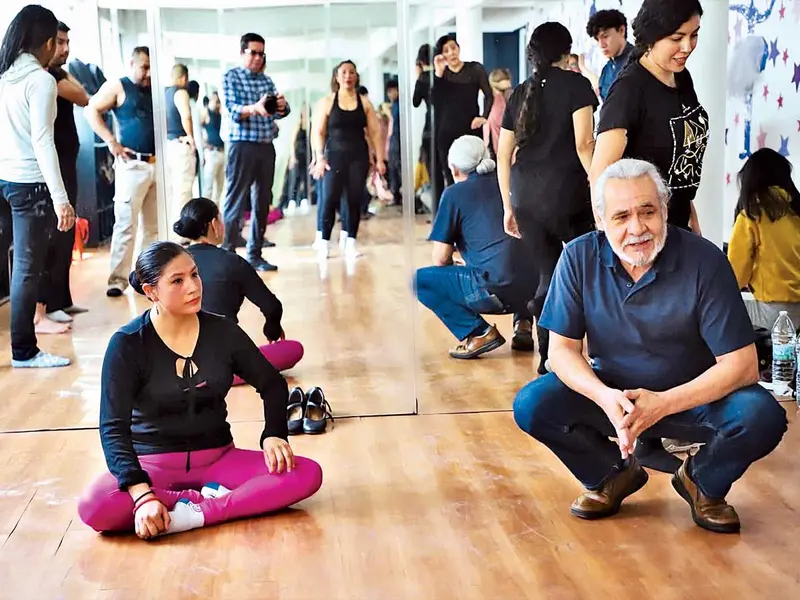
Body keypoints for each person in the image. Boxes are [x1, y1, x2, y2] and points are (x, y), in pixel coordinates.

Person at [513, 159, 787, 534]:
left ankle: (702, 482)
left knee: (762, 416)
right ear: (600, 220)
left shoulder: (705, 261)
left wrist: (663, 405)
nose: (637, 228)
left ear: (665, 208)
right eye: (621, 216)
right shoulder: (577, 257)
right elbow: (561, 351)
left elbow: (743, 365)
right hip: (615, 396)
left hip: (695, 399)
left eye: (647, 211)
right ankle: (611, 476)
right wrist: (605, 397)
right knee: (533, 404)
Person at [78, 241, 322, 539]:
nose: (193, 287)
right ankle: (195, 501)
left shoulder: (222, 332)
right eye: (177, 281)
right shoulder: (127, 343)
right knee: (94, 507)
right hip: (153, 465)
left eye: (195, 275)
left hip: (218, 459)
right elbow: (113, 428)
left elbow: (271, 383)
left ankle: (198, 514)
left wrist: (274, 434)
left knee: (306, 474)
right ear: (150, 291)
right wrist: (143, 496)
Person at [497, 22, 597, 375]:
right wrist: (603, 191)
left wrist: (509, 205)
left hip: (527, 196)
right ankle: (591, 355)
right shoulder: (576, 85)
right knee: (592, 271)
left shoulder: (520, 92)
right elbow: (586, 144)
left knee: (548, 275)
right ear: (566, 51)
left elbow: (503, 152)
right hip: (569, 195)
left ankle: (547, 358)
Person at [0, 5, 75, 369]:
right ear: (46, 43)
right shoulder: (41, 80)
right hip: (29, 183)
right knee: (27, 269)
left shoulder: (3, 77)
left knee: (15, 267)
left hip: (3, 180)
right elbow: (44, 141)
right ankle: (24, 352)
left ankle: (23, 348)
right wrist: (62, 200)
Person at [590, 0, 707, 234]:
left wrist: (691, 217)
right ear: (652, 36)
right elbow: (599, 175)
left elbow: (679, 161)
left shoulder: (681, 78)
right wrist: (611, 235)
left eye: (694, 35)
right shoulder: (630, 89)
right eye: (676, 38)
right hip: (642, 232)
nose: (687, 46)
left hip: (677, 224)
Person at [415, 136, 536, 359]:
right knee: (516, 255)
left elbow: (440, 258)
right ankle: (523, 324)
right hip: (535, 289)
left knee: (418, 280)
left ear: (454, 169)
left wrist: (461, 268)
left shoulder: (454, 194)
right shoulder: (511, 181)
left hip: (495, 292)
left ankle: (479, 332)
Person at [174, 197, 304, 382]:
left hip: (177, 364)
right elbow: (272, 306)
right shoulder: (232, 262)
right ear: (214, 224)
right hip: (222, 363)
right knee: (292, 349)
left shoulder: (172, 265)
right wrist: (272, 330)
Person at [85, 46, 158, 297]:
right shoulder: (119, 86)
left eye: (152, 67)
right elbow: (91, 109)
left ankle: (147, 278)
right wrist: (111, 141)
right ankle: (117, 280)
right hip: (131, 165)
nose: (148, 73)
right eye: (144, 67)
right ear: (132, 64)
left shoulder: (156, 89)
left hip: (156, 164)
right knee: (126, 225)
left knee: (153, 227)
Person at [221, 32, 289, 272]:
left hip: (265, 147)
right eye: (254, 53)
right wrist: (255, 108)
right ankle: (227, 254)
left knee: (262, 202)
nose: (259, 58)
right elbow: (232, 110)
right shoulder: (231, 77)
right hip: (241, 146)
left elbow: (278, 111)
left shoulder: (266, 81)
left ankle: (255, 254)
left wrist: (281, 106)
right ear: (242, 53)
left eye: (262, 54)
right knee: (235, 200)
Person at [38, 20, 90, 329]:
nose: (65, 48)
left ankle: (63, 299)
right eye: (59, 42)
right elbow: (83, 97)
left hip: (68, 161)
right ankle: (47, 305)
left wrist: (59, 69)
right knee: (53, 235)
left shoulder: (56, 73)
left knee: (66, 233)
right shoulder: (44, 78)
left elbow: (81, 92)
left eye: (67, 41)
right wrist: (57, 73)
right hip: (50, 164)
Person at [311, 60, 384, 260]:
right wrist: (319, 157)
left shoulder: (365, 103)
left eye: (351, 72)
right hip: (334, 156)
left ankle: (350, 241)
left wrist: (380, 160)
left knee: (354, 199)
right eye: (343, 72)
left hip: (358, 156)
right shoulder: (327, 102)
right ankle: (324, 242)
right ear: (337, 77)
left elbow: (375, 132)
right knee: (329, 199)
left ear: (356, 76)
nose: (348, 76)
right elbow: (318, 131)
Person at [727, 148, 800, 329]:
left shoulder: (752, 216)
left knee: (710, 310)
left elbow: (735, 277)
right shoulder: (797, 211)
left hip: (774, 315)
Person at [431, 35, 493, 189]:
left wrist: (483, 117)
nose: (451, 53)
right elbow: (434, 101)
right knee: (452, 177)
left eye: (453, 48)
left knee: (475, 174)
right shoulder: (442, 75)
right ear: (442, 55)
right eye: (446, 50)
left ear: (458, 48)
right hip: (447, 132)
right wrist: (438, 73)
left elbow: (489, 95)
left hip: (470, 128)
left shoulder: (475, 69)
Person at [165, 64, 196, 238]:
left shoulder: (164, 94)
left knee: (172, 191)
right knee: (183, 191)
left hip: (169, 146)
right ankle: (181, 236)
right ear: (184, 77)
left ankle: (173, 233)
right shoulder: (181, 92)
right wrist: (190, 136)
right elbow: (186, 115)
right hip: (181, 144)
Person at [582, 9, 634, 101]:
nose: (601, 44)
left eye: (605, 36)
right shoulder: (606, 71)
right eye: (597, 39)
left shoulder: (640, 61)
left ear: (622, 30)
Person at [201, 92, 225, 204]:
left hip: (222, 152)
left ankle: (216, 211)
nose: (217, 104)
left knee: (220, 186)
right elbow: (197, 128)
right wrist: (203, 144)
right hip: (211, 152)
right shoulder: (206, 113)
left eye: (219, 102)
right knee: (208, 186)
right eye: (216, 101)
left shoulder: (220, 116)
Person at [483, 68, 512, 157]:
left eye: (508, 89)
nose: (505, 93)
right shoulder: (489, 102)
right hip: (494, 149)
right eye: (501, 90)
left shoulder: (512, 101)